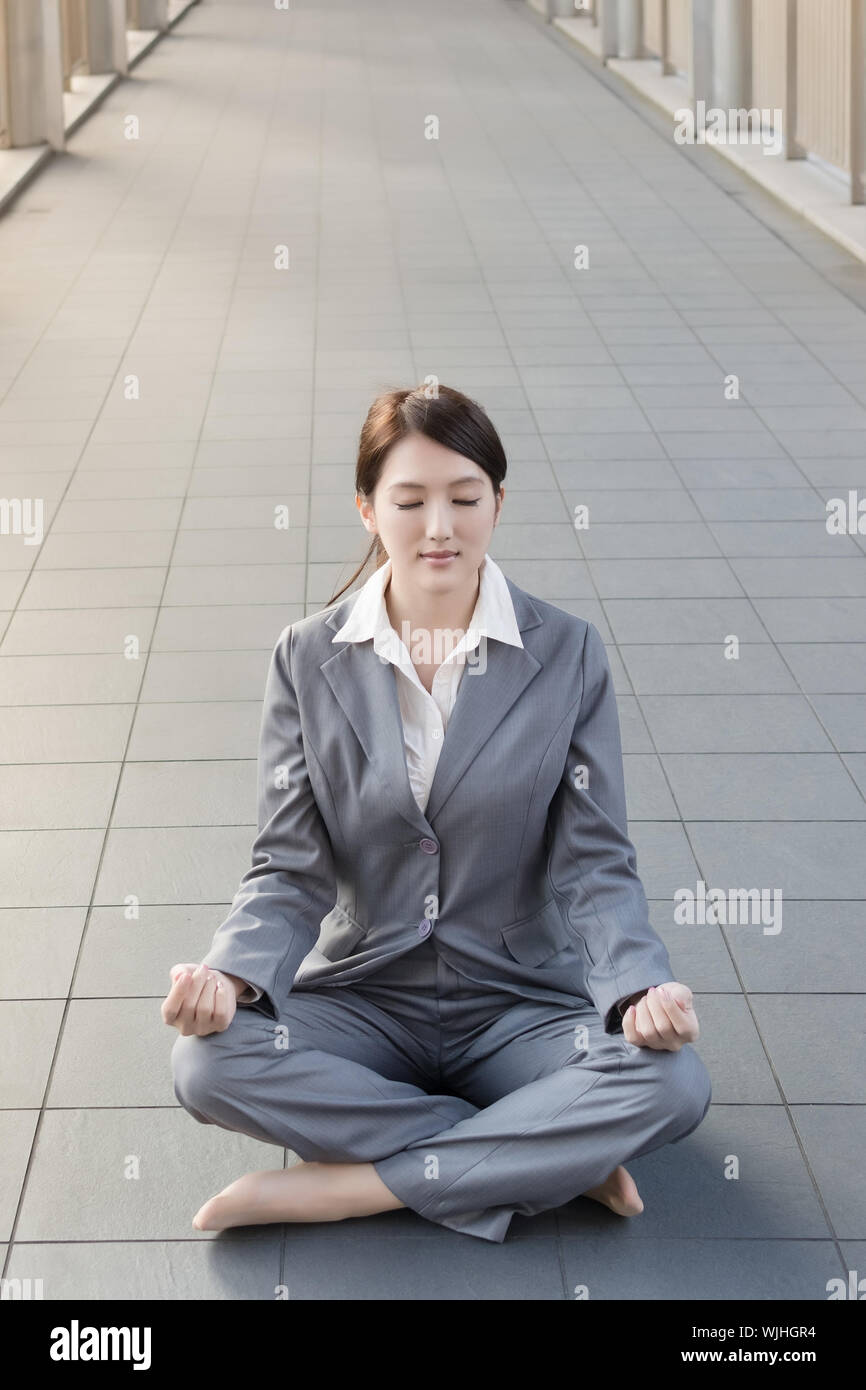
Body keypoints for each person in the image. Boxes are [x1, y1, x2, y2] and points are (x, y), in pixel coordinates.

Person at [163, 383, 711, 1243]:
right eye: (410, 501)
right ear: (367, 509)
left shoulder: (565, 652)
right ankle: (546, 1152)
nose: (440, 527)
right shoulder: (308, 659)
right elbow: (288, 864)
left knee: (671, 1084)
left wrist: (639, 988)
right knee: (207, 1064)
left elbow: (594, 861)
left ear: (499, 501)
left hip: (517, 1002)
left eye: (465, 498)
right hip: (367, 995)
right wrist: (230, 975)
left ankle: (347, 1188)